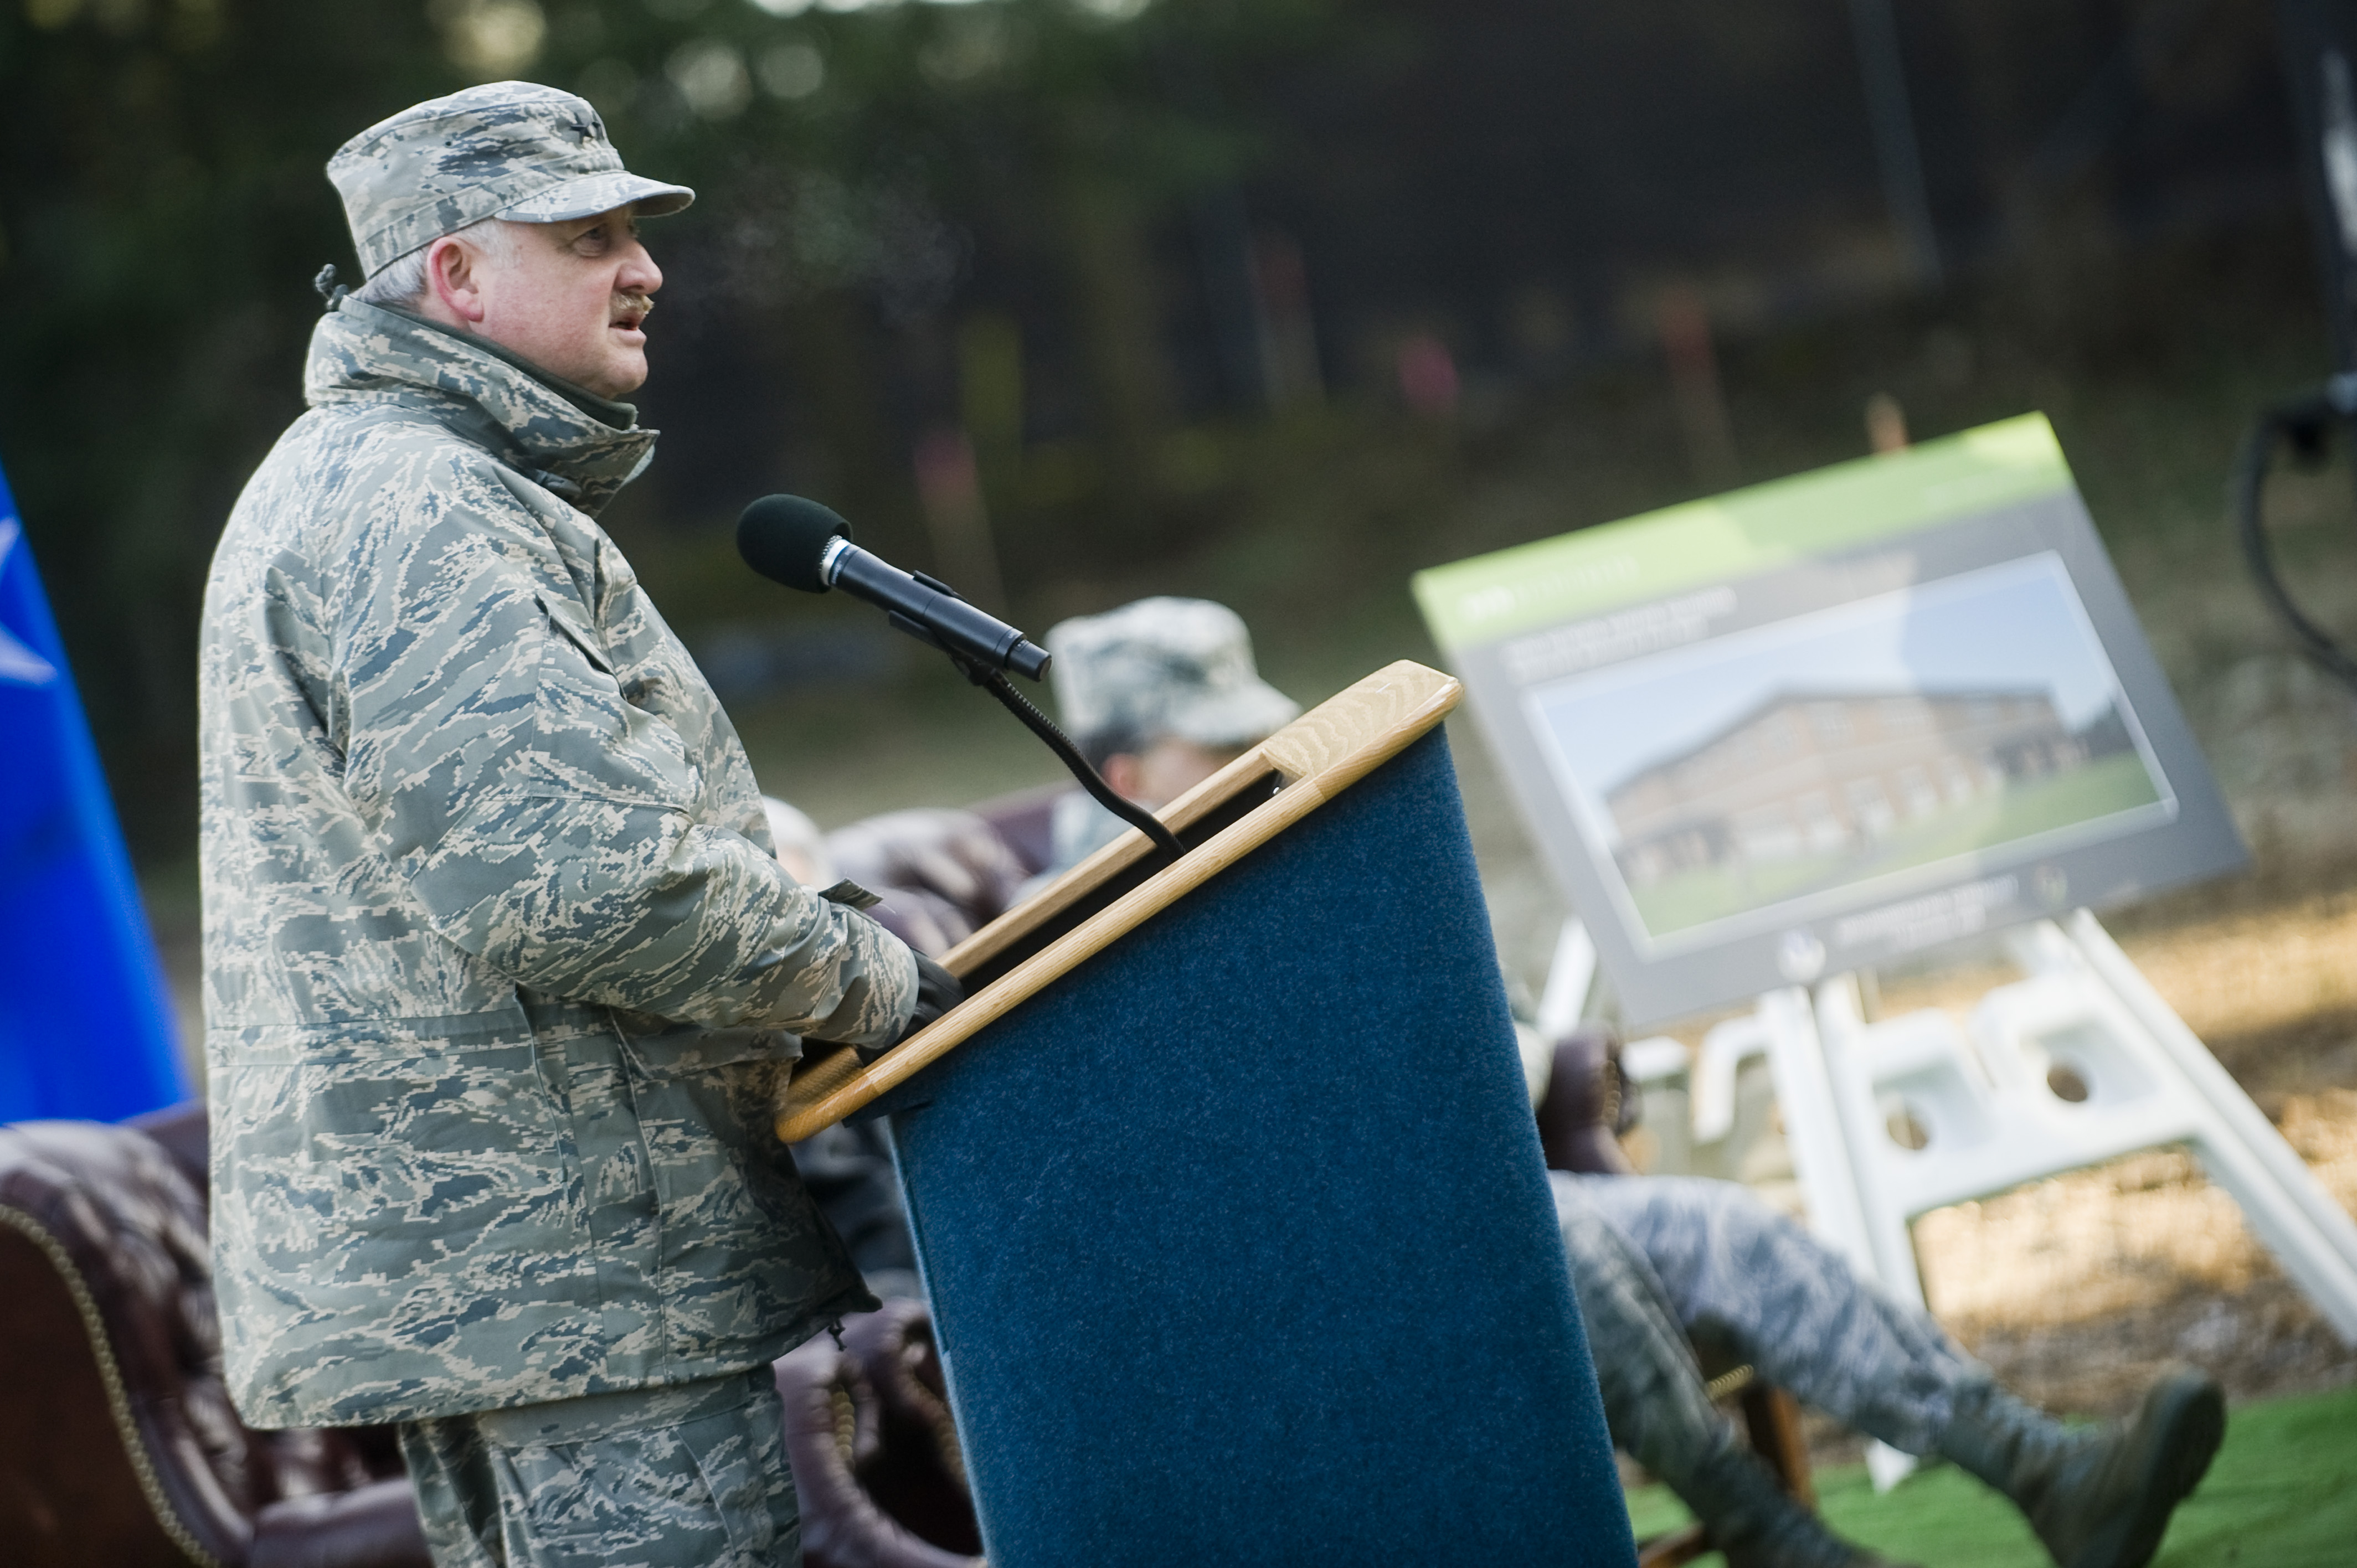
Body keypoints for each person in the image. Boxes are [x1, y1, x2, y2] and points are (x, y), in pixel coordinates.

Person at [1026, 597, 2224, 1568]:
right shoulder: (1068, 933)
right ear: (1119, 761)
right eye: (1213, 743)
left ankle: (2046, 1475)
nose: (1252, 760)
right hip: (1300, 1294)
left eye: (1254, 734)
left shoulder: (1289, 849)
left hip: (1466, 1215)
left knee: (1725, 1228)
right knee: (1551, 1237)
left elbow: (1475, 1031)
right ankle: (1775, 1538)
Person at [199, 82, 955, 1567]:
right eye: (589, 234)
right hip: (573, 1295)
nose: (648, 268)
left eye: (637, 230)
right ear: (458, 278)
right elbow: (579, 883)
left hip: (523, 1291)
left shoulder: (368, 485)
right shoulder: (425, 507)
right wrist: (879, 979)